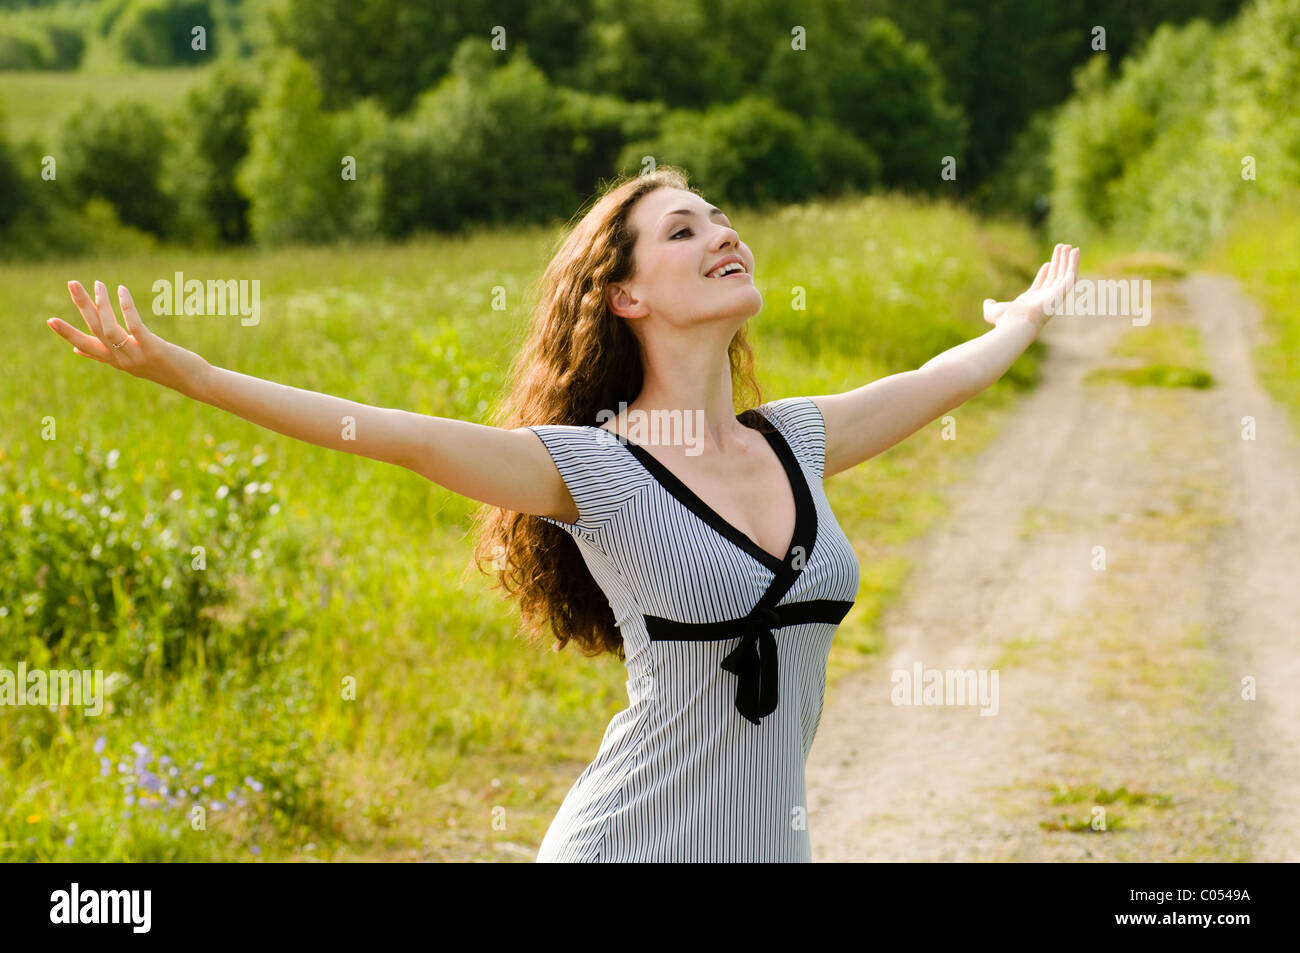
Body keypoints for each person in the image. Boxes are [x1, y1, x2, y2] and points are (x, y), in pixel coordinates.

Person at [44, 165, 1079, 862]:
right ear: (624, 295)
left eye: (721, 217)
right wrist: (186, 370)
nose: (723, 232)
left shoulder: (796, 439)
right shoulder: (600, 471)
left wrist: (1024, 313)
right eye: (684, 228)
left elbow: (945, 377)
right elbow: (391, 431)